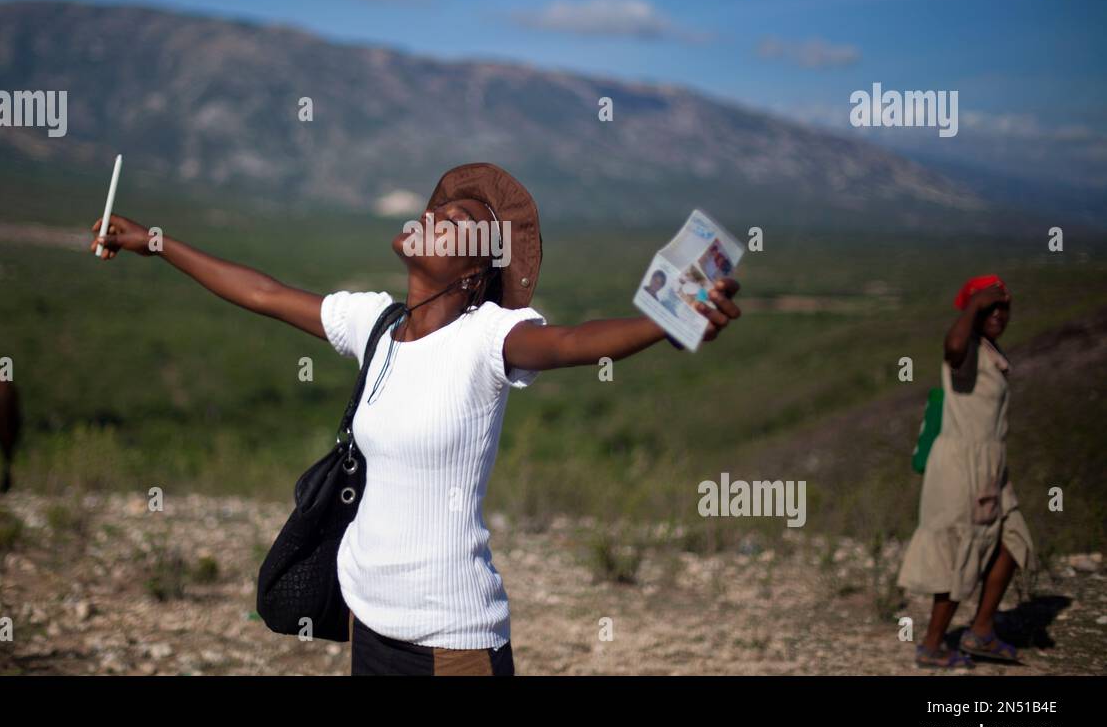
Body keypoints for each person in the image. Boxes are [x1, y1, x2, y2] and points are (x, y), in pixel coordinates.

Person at [90, 162, 742, 675]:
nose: (432, 216)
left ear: (474, 270)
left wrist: (668, 321)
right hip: (370, 626)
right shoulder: (375, 323)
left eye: (454, 219)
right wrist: (152, 241)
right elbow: (261, 292)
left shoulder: (488, 338)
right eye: (436, 208)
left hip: (452, 644)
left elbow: (576, 343)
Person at [896, 275, 1035, 669]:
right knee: (963, 548)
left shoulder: (991, 350)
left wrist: (979, 306)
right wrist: (973, 307)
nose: (997, 314)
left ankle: (982, 630)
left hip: (991, 466)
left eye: (1002, 307)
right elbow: (953, 346)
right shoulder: (967, 347)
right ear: (971, 311)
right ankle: (933, 644)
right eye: (988, 307)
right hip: (962, 468)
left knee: (1012, 539)